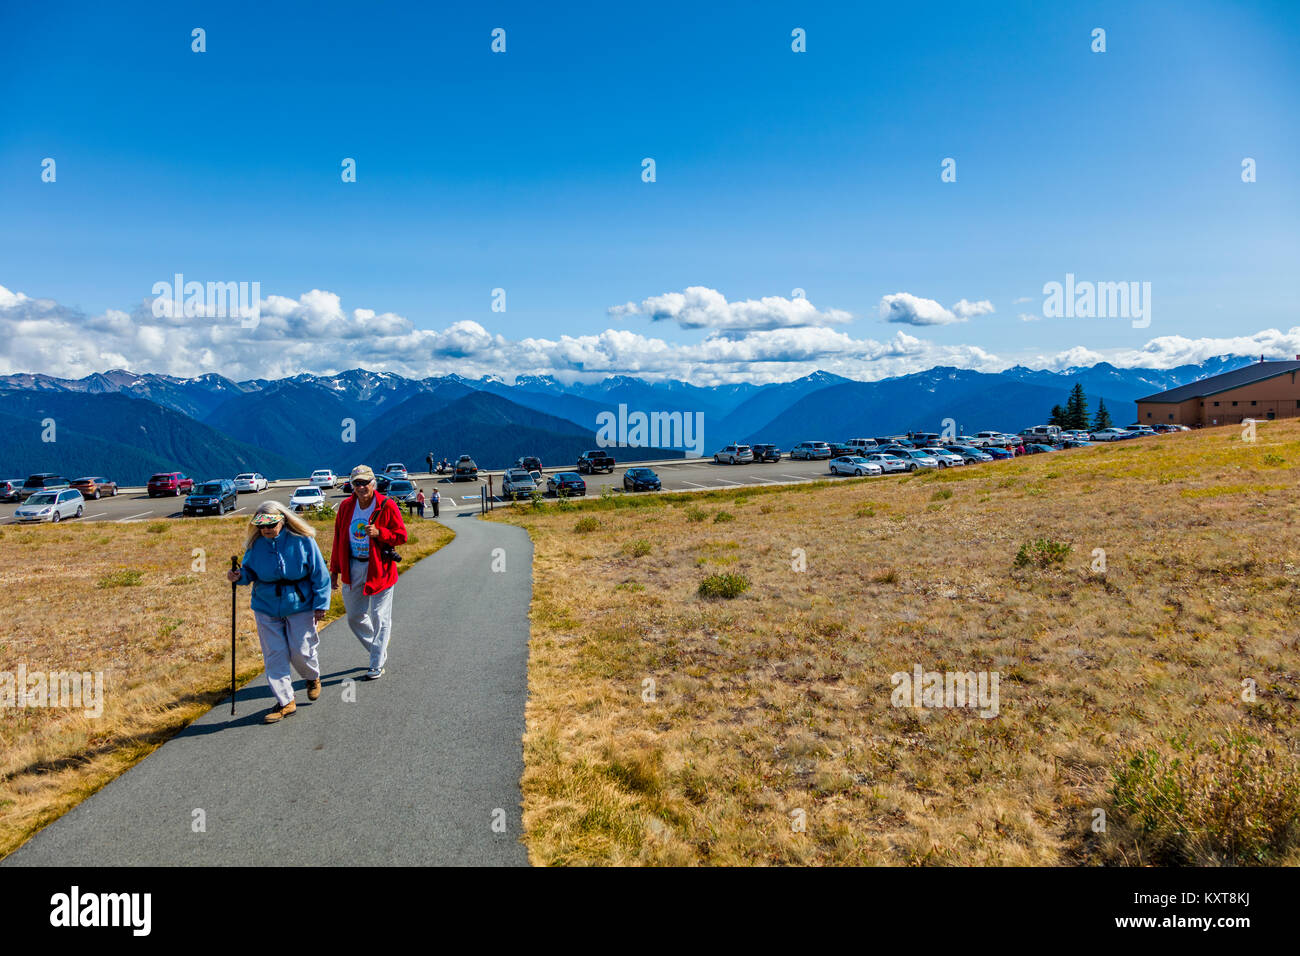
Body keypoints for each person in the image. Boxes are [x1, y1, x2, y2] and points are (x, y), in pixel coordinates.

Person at [227, 502, 331, 723]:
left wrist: (321, 603)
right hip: (266, 606)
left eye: (271, 525)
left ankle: (312, 677)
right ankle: (286, 702)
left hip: (300, 604)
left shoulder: (303, 540)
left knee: (301, 650)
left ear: (283, 521)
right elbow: (249, 572)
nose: (267, 530)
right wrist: (239, 576)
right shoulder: (255, 545)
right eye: (262, 526)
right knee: (274, 653)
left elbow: (320, 574)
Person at [329, 465, 407, 680]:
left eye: (365, 482)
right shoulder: (346, 507)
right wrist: (334, 569)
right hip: (353, 567)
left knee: (379, 616)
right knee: (354, 617)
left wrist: (380, 532)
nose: (362, 487)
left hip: (380, 567)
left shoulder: (386, 505)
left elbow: (401, 536)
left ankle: (376, 663)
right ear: (352, 486)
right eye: (357, 483)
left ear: (374, 483)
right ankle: (378, 648)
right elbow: (338, 538)